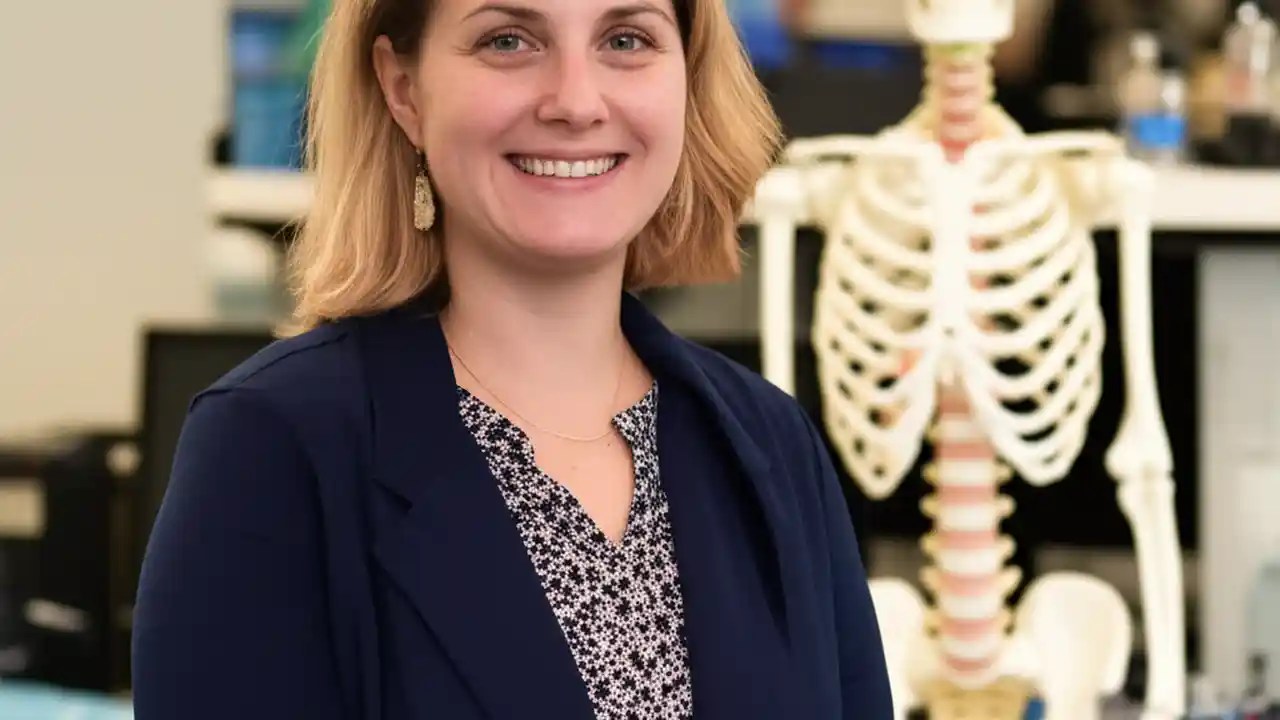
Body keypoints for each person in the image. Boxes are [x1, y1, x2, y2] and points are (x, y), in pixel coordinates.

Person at [131, 0, 893, 717]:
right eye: (508, 40)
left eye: (626, 39)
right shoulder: (273, 447)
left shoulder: (769, 440)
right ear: (404, 90)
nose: (576, 100)